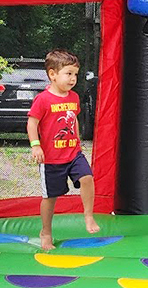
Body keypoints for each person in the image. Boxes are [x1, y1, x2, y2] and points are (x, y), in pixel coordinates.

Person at [27, 49, 100, 250]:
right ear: (52, 74)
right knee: (50, 198)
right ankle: (46, 232)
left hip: (73, 153)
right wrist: (36, 145)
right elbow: (32, 123)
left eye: (75, 74)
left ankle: (88, 216)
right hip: (51, 159)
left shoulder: (74, 97)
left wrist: (77, 139)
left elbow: (73, 118)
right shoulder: (43, 99)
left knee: (87, 177)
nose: (73, 78)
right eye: (68, 73)